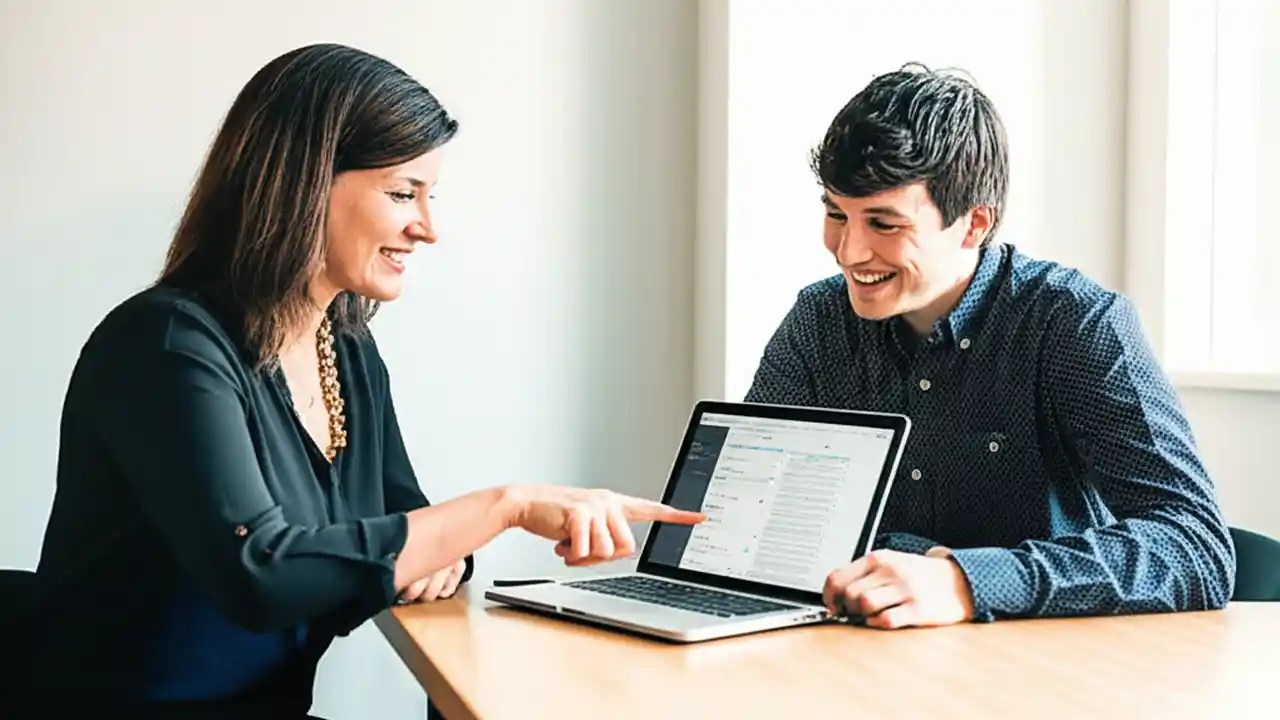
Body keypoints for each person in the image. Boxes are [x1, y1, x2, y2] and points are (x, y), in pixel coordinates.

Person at [9, 43, 703, 714]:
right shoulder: (166, 346)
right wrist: (504, 507)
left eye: (430, 196)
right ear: (305, 185)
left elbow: (404, 520)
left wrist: (440, 553)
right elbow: (261, 575)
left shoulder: (346, 350)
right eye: (403, 193)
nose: (427, 228)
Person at [745, 64, 1235, 630]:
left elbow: (1195, 546)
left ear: (974, 223)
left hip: (1038, 662)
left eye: (884, 224)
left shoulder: (1074, 323)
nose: (848, 251)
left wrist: (966, 580)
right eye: (836, 214)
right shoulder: (818, 319)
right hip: (858, 650)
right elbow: (759, 511)